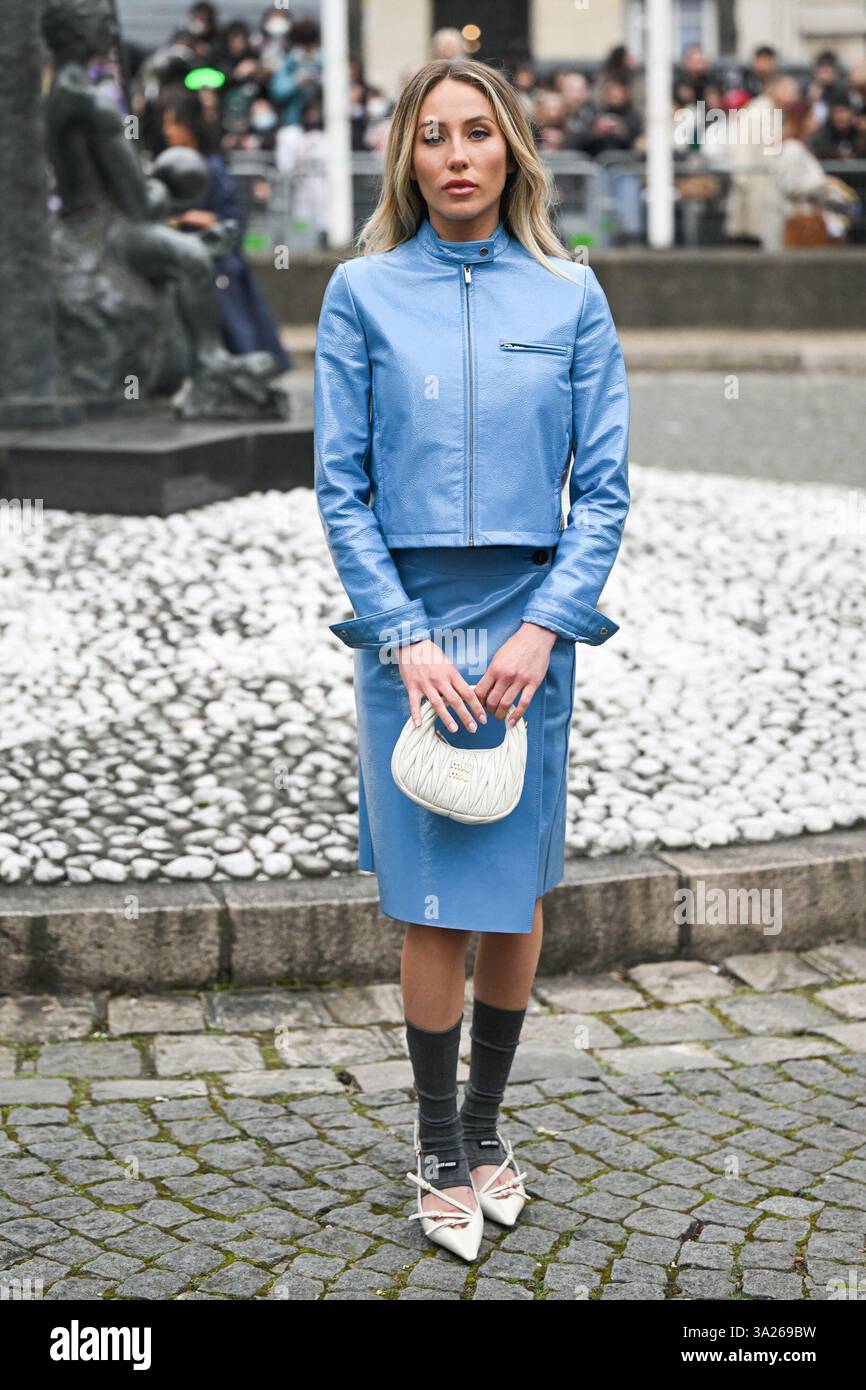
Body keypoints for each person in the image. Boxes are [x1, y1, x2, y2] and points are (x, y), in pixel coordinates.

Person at [313, 58, 629, 1260]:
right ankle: (437, 1148)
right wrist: (398, 636)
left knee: (512, 892)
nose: (455, 154)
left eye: (476, 134)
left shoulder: (569, 295)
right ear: (406, 155)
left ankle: (488, 1130)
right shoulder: (359, 293)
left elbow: (600, 492)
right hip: (409, 627)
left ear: (509, 153)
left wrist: (548, 627)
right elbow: (340, 488)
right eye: (432, 135)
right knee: (431, 896)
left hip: (531, 625)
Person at [160, 87, 290, 369]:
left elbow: (227, 218)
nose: (167, 130)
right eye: (166, 122)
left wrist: (194, 218)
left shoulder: (211, 166)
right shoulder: (171, 166)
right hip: (185, 261)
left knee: (233, 322)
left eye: (174, 122)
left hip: (216, 261)